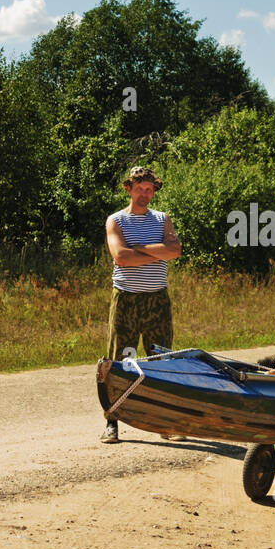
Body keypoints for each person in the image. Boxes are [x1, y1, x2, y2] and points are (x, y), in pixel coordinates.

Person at [100, 166, 183, 443]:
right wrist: (156, 250)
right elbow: (121, 257)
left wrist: (139, 249)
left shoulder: (162, 219)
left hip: (157, 299)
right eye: (140, 189)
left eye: (149, 189)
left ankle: (164, 422)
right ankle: (112, 422)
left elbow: (174, 251)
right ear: (129, 188)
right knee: (119, 361)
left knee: (161, 361)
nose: (145, 194)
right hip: (126, 299)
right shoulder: (116, 220)